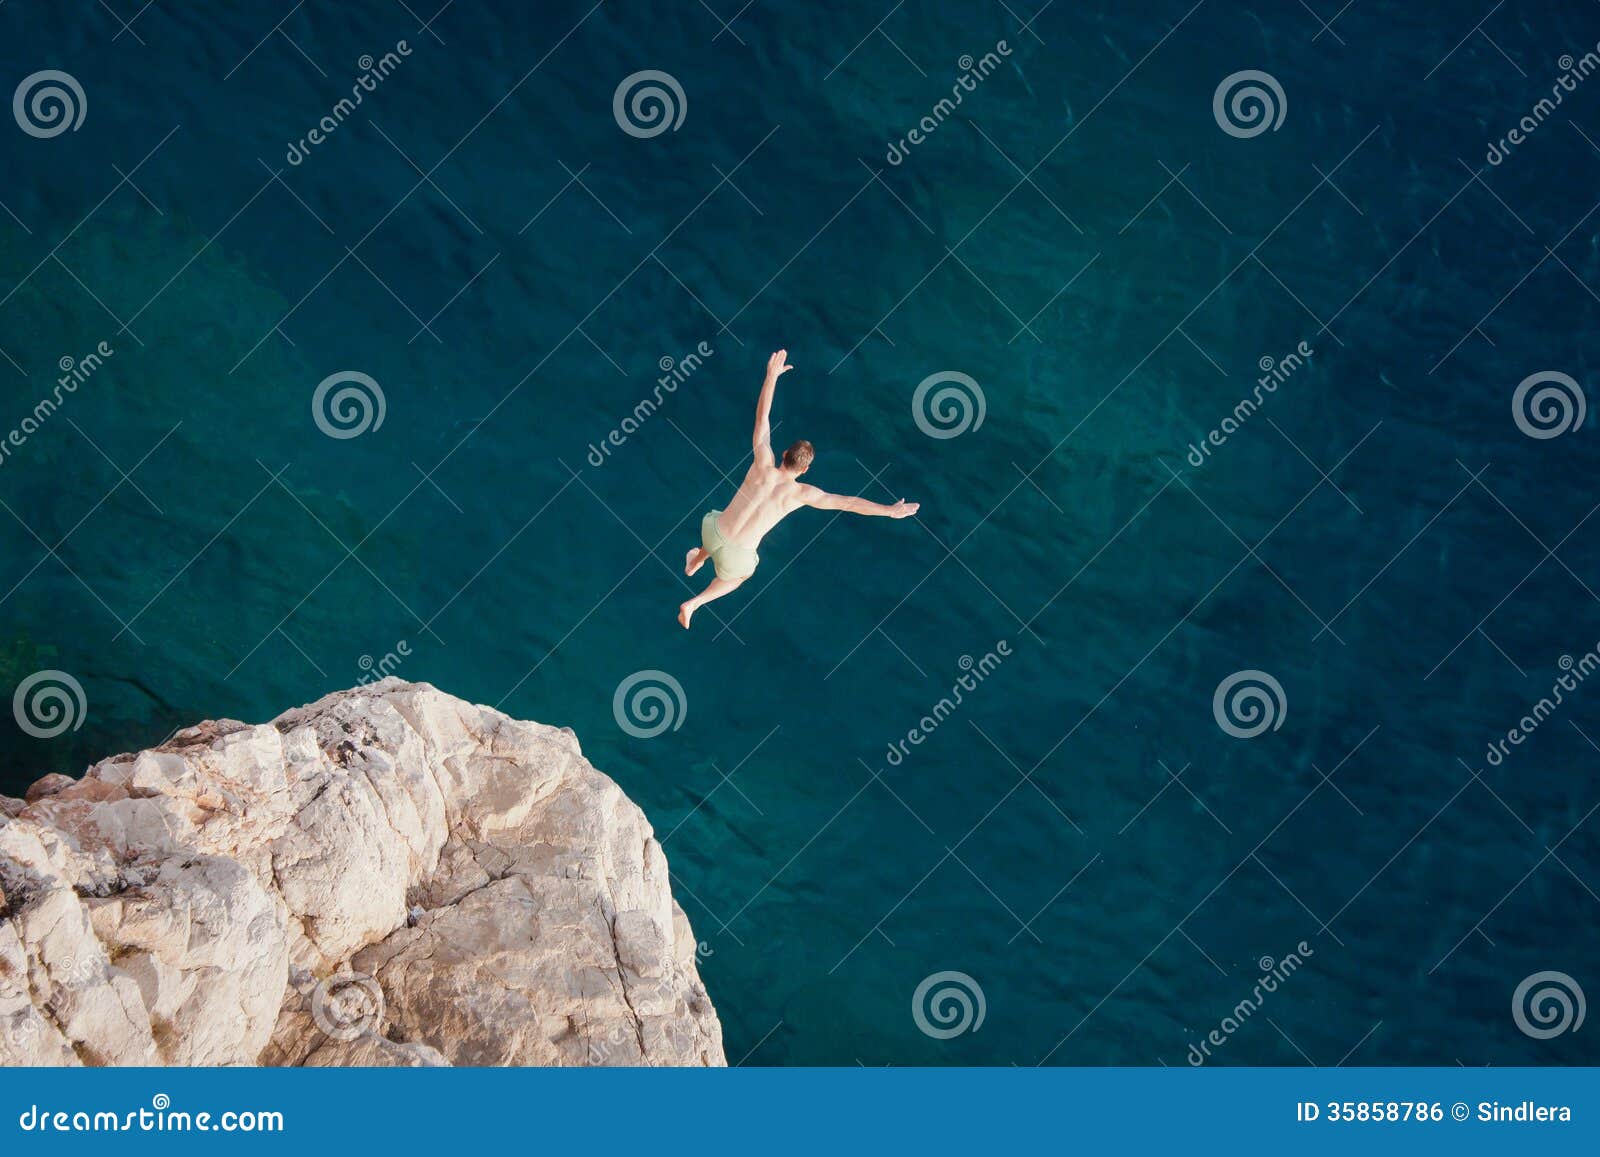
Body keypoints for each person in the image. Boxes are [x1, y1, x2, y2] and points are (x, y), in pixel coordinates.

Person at [679, 350, 919, 629]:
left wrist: (771, 377)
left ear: (783, 454)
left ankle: (696, 560)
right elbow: (848, 502)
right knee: (738, 578)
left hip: (712, 532)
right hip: (736, 556)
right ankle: (693, 604)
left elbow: (762, 419)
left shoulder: (762, 462)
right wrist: (889, 511)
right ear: (805, 470)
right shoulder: (802, 494)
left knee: (719, 519)